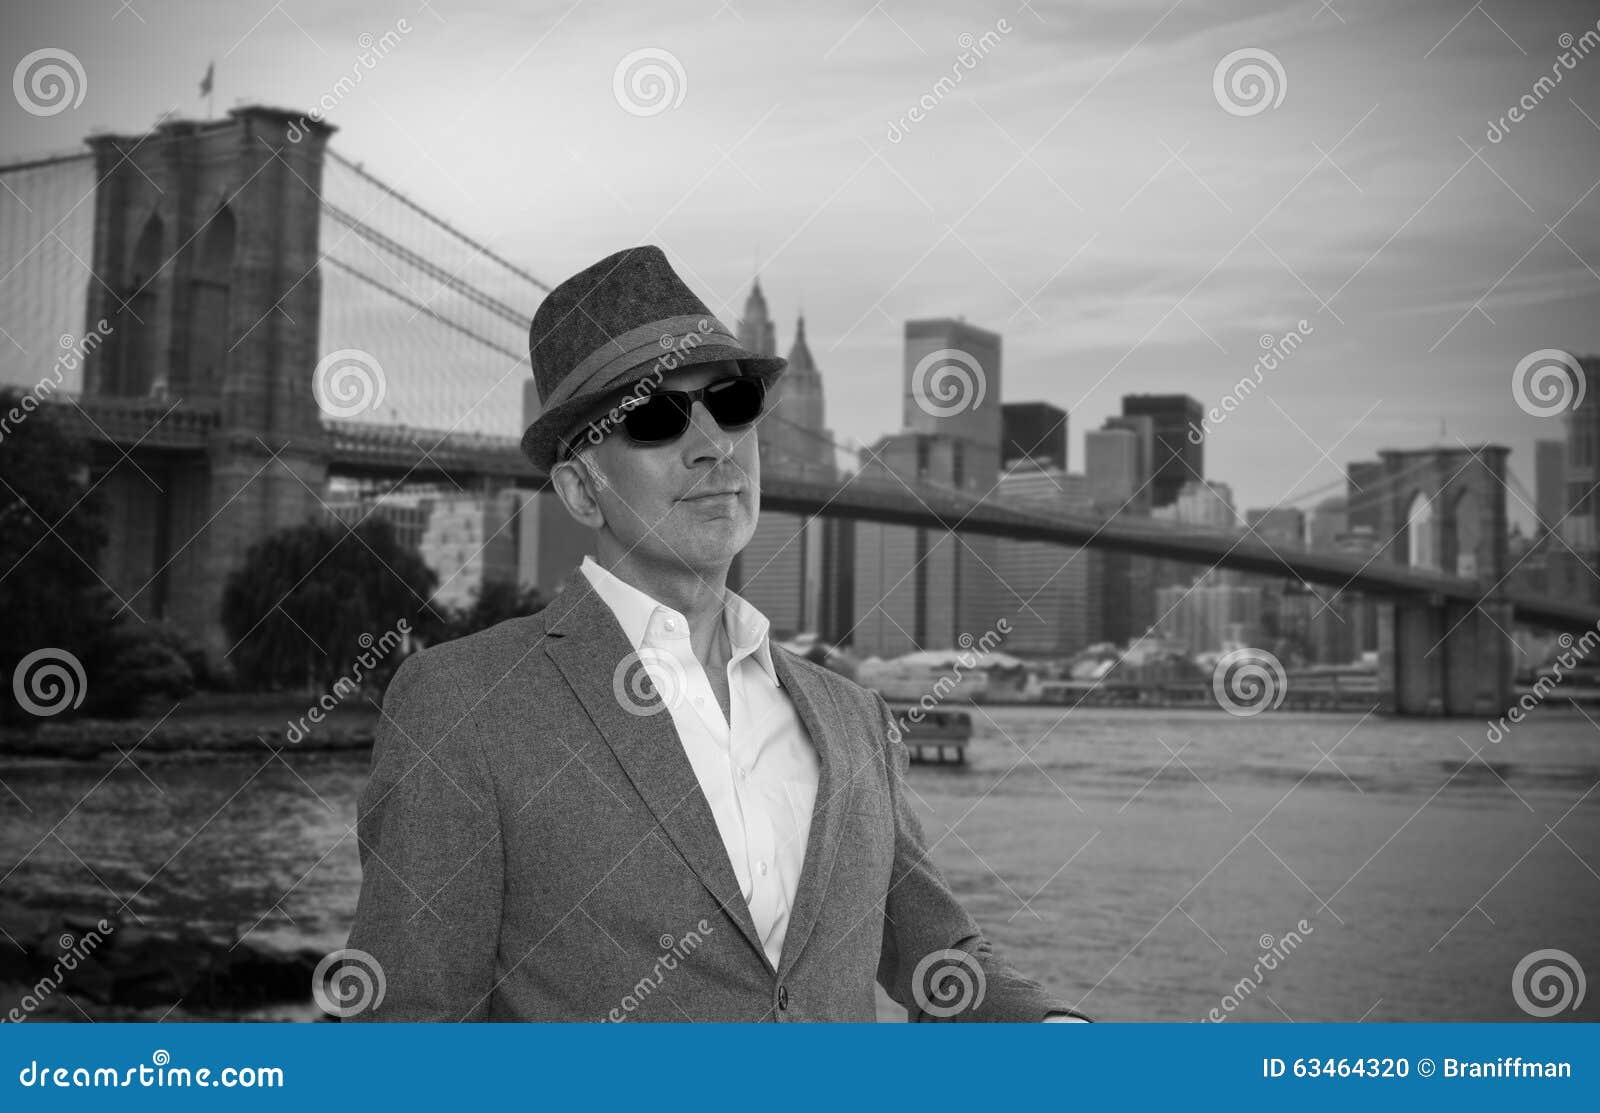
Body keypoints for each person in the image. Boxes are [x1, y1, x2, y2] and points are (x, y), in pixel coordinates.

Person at [344, 245, 1090, 1022]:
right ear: (580, 489)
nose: (714, 444)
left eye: (731, 404)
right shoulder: (464, 706)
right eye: (655, 416)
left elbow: (937, 956)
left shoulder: (854, 716)